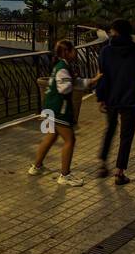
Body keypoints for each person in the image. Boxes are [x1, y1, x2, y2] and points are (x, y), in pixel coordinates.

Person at [28, 39, 95, 186]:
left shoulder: (61, 66)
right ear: (66, 52)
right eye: (73, 50)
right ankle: (65, 175)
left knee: (50, 137)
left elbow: (75, 83)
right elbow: (64, 88)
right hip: (59, 109)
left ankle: (36, 167)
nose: (75, 52)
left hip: (48, 107)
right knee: (70, 140)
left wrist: (92, 80)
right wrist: (73, 80)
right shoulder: (63, 68)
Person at [94, 19, 135, 185]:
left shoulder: (105, 52)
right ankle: (119, 172)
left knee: (110, 129)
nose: (110, 33)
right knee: (127, 135)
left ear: (115, 32)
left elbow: (103, 77)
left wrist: (101, 97)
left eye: (111, 31)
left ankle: (103, 164)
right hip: (131, 98)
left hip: (111, 97)